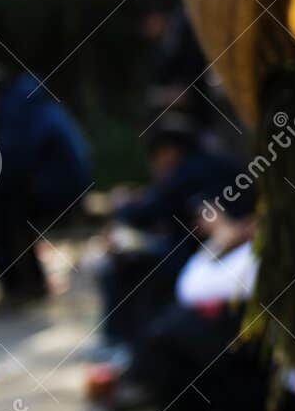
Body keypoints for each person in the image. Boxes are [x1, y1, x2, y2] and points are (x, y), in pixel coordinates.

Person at [125, 194, 270, 411]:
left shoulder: (268, 241)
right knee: (171, 351)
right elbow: (190, 287)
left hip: (266, 350)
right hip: (227, 343)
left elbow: (236, 285)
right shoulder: (226, 245)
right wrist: (224, 239)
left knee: (171, 345)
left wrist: (227, 233)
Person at [94, 118, 247, 357]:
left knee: (123, 262)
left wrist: (122, 207)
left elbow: (148, 211)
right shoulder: (217, 163)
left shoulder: (187, 171)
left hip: (208, 259)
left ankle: (120, 342)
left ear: (169, 151)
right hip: (226, 255)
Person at [0, 62, 92, 307]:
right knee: (8, 208)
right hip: (67, 184)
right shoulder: (28, 101)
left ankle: (21, 288)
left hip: (62, 188)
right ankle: (32, 283)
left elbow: (12, 162)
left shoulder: (18, 109)